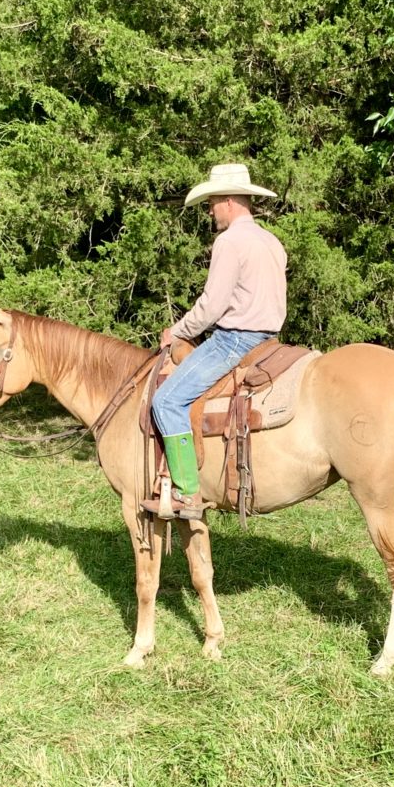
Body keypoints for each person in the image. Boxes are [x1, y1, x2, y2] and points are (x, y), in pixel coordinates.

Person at [145, 163, 287, 520]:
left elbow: (212, 305)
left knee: (166, 401)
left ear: (227, 201)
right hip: (269, 341)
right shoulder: (270, 241)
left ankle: (186, 493)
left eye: (212, 203)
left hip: (234, 342)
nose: (210, 211)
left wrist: (176, 332)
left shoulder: (229, 241)